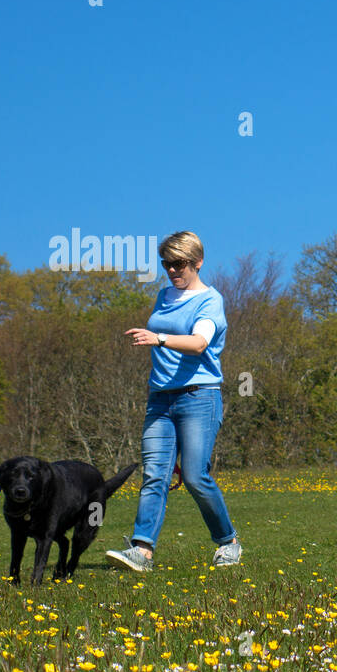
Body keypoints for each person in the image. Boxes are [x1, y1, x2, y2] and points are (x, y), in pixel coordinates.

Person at [107, 231, 242, 572]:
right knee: (154, 475)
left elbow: (199, 344)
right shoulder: (164, 295)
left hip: (199, 398)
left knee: (196, 477)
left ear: (197, 262)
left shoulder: (210, 301)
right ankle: (142, 551)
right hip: (160, 401)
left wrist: (159, 338)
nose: (172, 271)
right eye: (166, 264)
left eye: (179, 264)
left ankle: (228, 543)